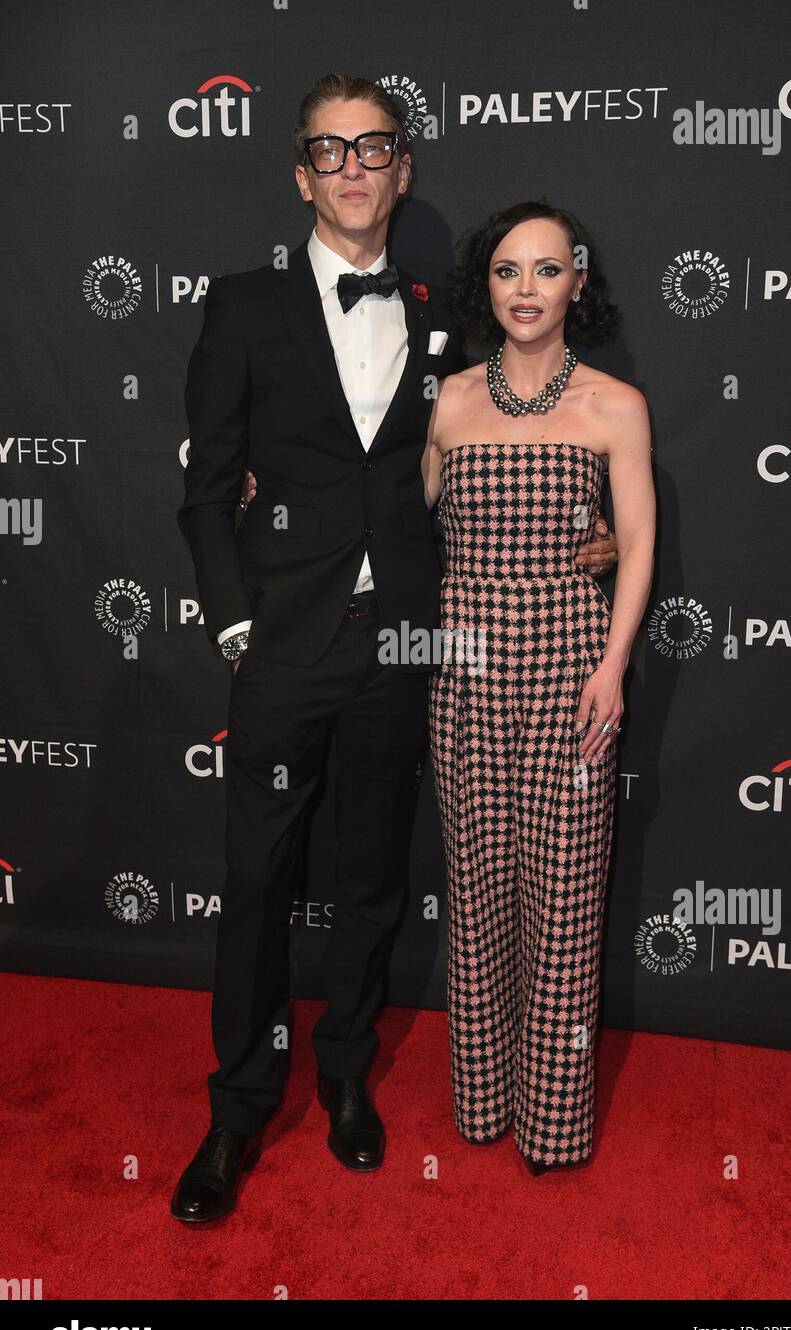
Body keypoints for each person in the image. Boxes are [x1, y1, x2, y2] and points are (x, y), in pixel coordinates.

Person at [174, 69, 619, 1223]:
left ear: (401, 167)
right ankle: (233, 1113)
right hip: (281, 645)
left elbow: (506, 441)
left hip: (407, 649)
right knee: (257, 880)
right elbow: (206, 490)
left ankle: (343, 1081)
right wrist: (234, 620)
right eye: (330, 150)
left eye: (374, 146)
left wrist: (597, 530)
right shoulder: (241, 306)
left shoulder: (439, 317)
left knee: (372, 883)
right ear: (301, 173)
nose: (354, 166)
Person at [421, 202, 655, 1174]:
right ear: (487, 284)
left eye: (545, 269)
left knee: (561, 895)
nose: (524, 289)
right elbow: (397, 520)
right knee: (474, 887)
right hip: (461, 664)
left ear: (575, 284)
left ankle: (552, 1120)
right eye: (507, 270)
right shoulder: (444, 401)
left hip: (568, 655)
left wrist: (611, 665)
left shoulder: (613, 404)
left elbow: (637, 543)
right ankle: (480, 1099)